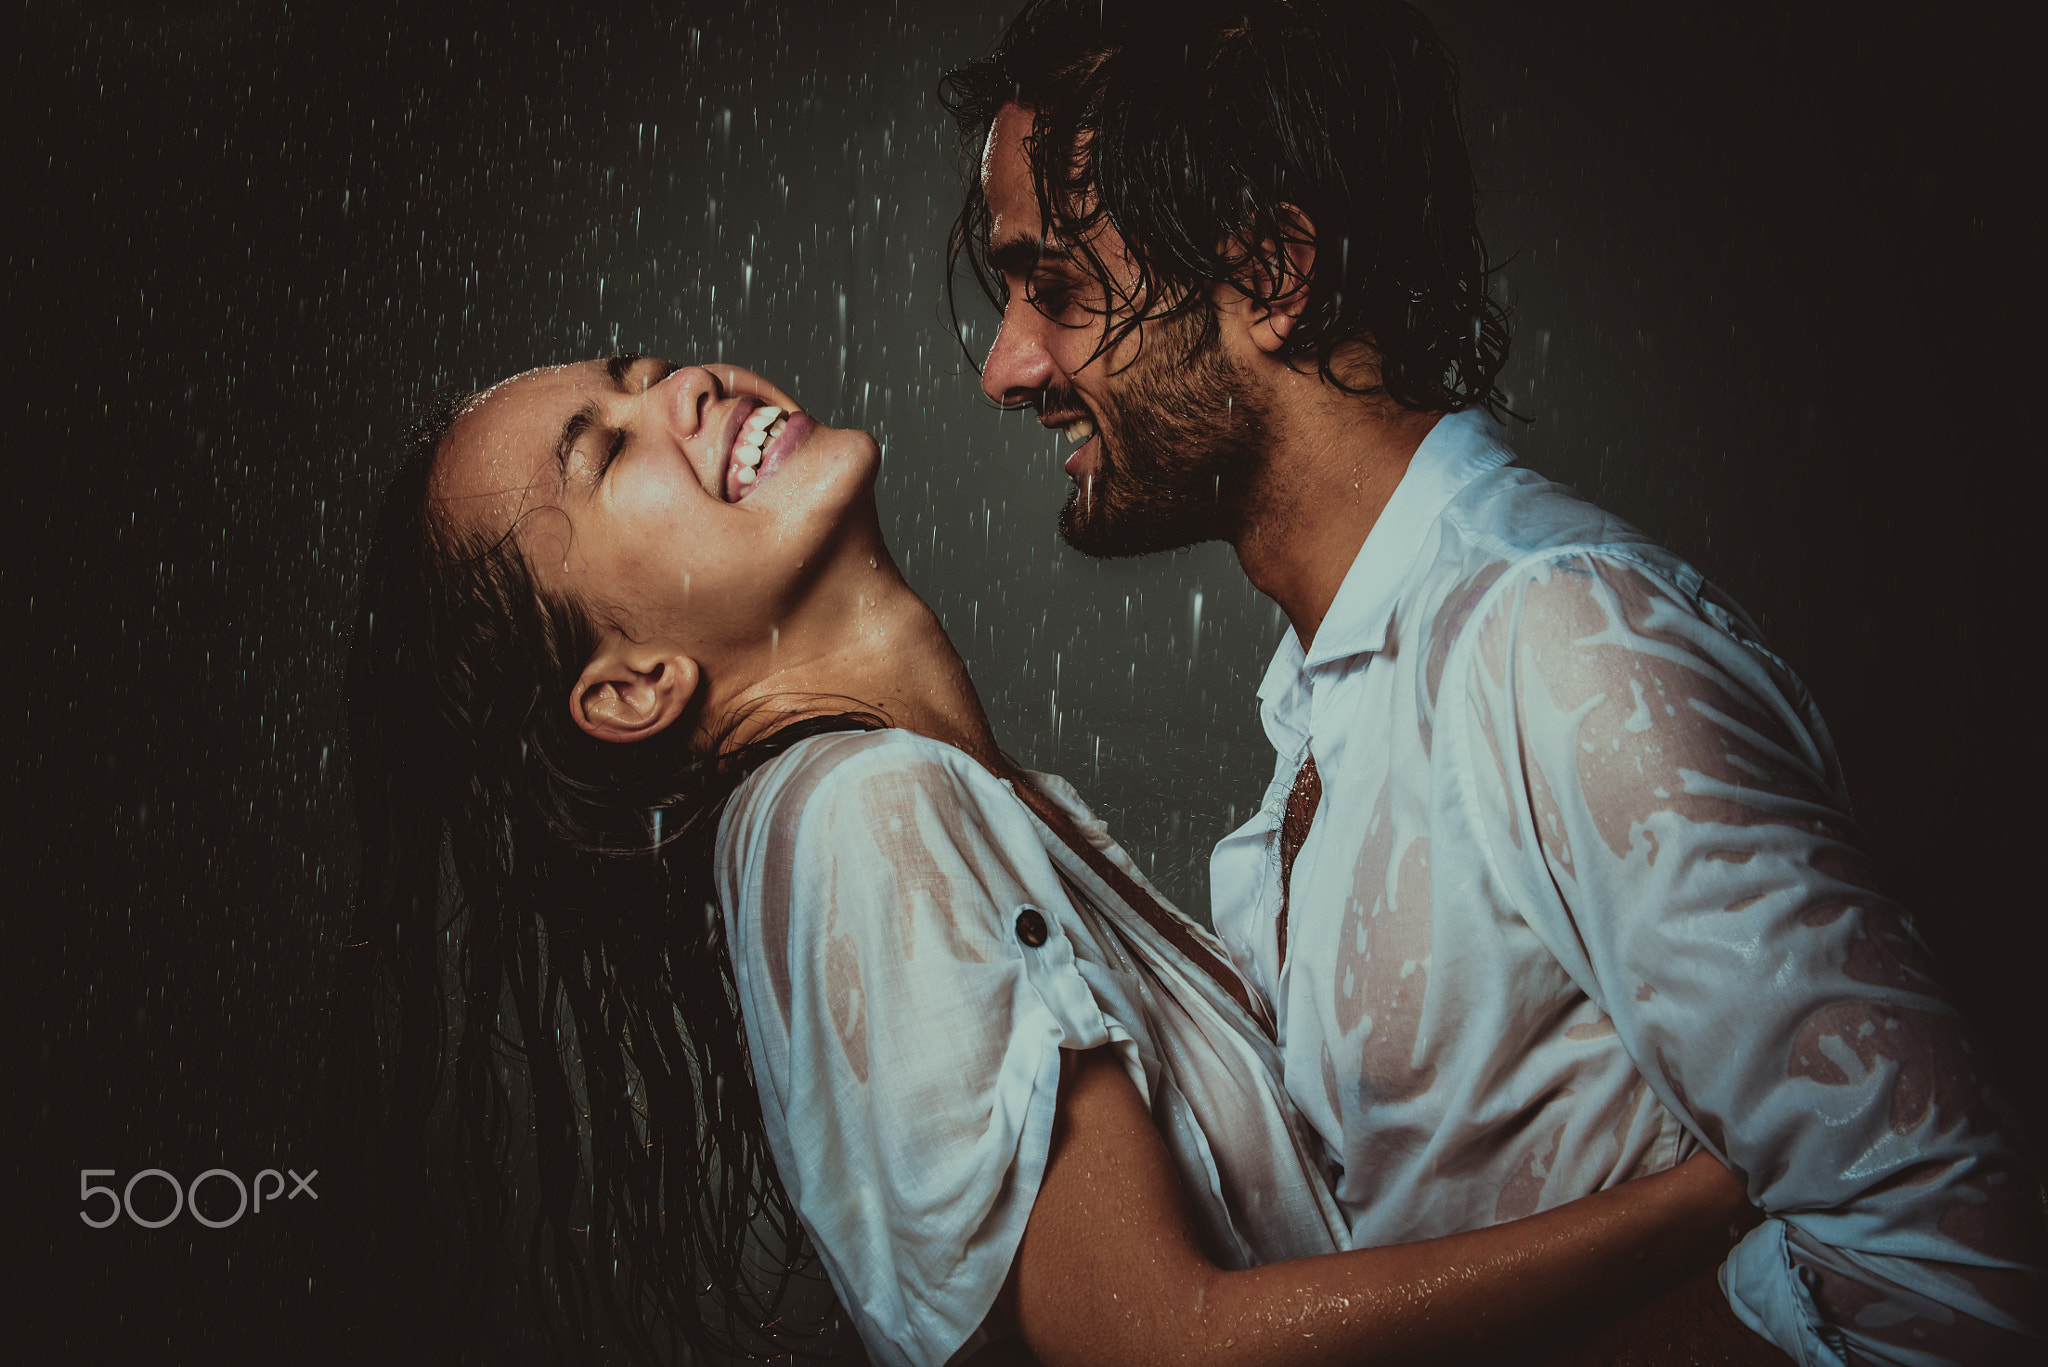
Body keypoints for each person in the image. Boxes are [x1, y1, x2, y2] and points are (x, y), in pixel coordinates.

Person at [947, 1, 2044, 1364]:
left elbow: (1967, 1275)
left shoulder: (1562, 646)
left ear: (1274, 275)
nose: (1006, 367)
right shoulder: (1334, 693)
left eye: (1054, 286)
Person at [333, 352, 1759, 1367]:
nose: (678, 394)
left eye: (639, 369)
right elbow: (1158, 1345)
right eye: (607, 448)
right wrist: (1708, 1205)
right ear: (632, 686)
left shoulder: (943, 808)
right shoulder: (859, 816)